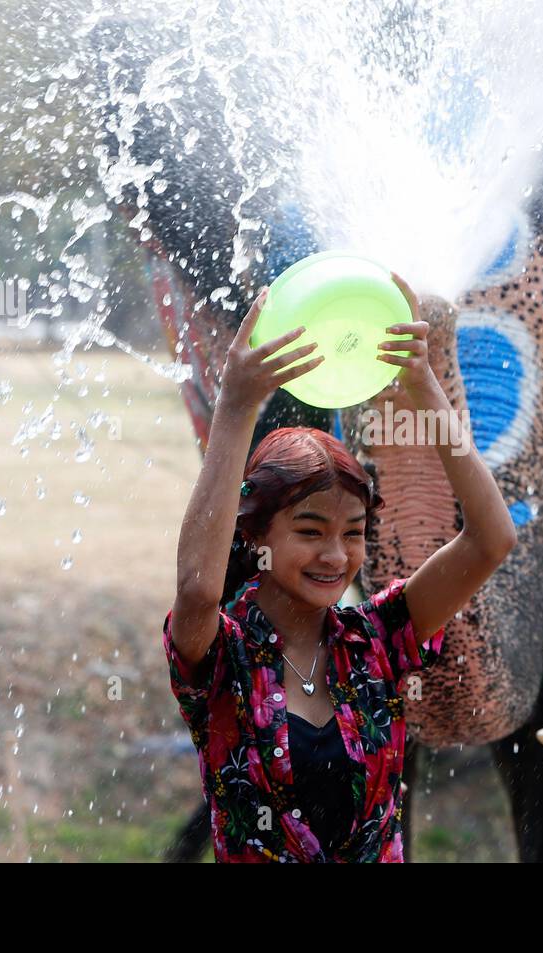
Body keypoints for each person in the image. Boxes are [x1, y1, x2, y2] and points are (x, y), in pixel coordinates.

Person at [163, 272, 516, 862]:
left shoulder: (379, 638)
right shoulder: (220, 655)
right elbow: (199, 589)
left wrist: (426, 388)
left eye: (353, 533)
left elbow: (490, 540)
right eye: (309, 531)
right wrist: (235, 406)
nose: (335, 555)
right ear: (254, 535)